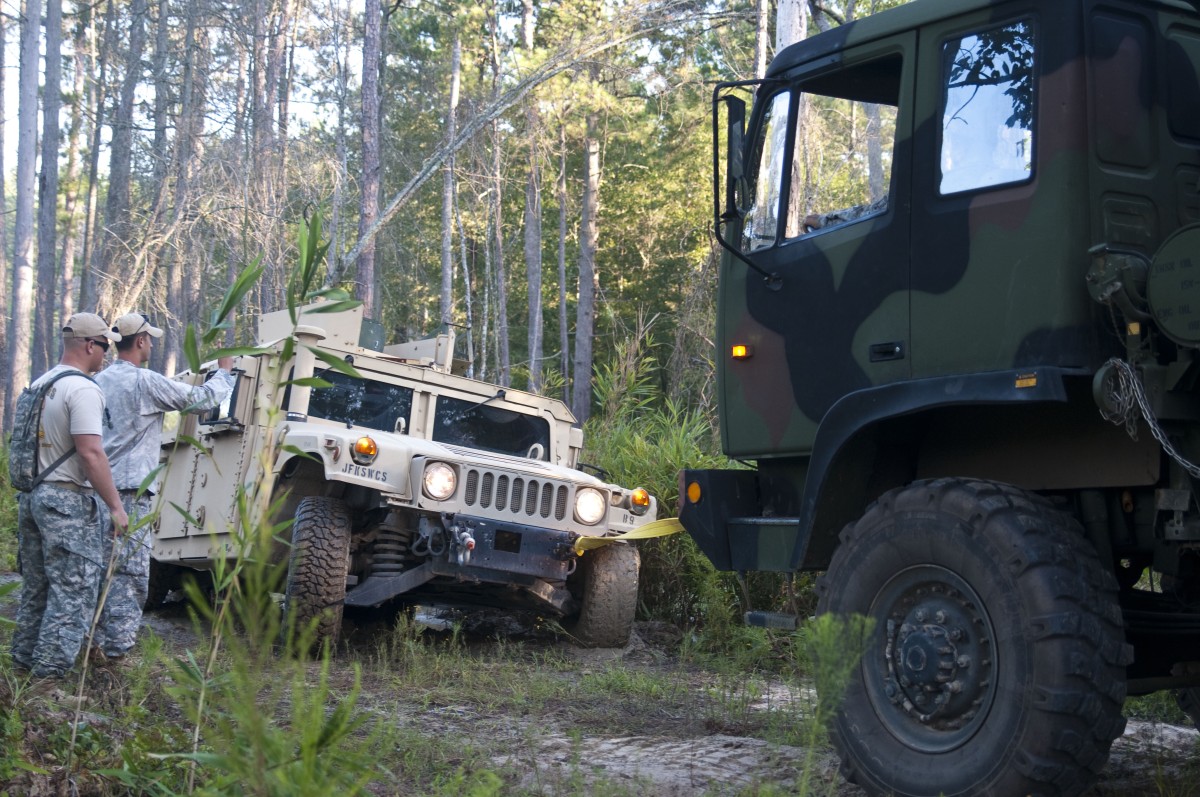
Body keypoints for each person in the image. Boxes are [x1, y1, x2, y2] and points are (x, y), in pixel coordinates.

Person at [92, 312, 235, 659]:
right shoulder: (144, 382)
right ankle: (116, 656)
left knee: (95, 571)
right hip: (130, 493)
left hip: (97, 489)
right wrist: (226, 373)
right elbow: (201, 400)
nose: (152, 344)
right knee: (129, 575)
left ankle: (90, 647)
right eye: (150, 339)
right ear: (139, 341)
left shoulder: (99, 381)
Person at [10, 313, 130, 679]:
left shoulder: (41, 383)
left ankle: (21, 666)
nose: (107, 354)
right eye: (105, 346)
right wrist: (115, 506)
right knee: (72, 592)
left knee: (37, 589)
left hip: (33, 499)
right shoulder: (83, 389)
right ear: (89, 345)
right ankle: (48, 679)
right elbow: (90, 452)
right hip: (65, 502)